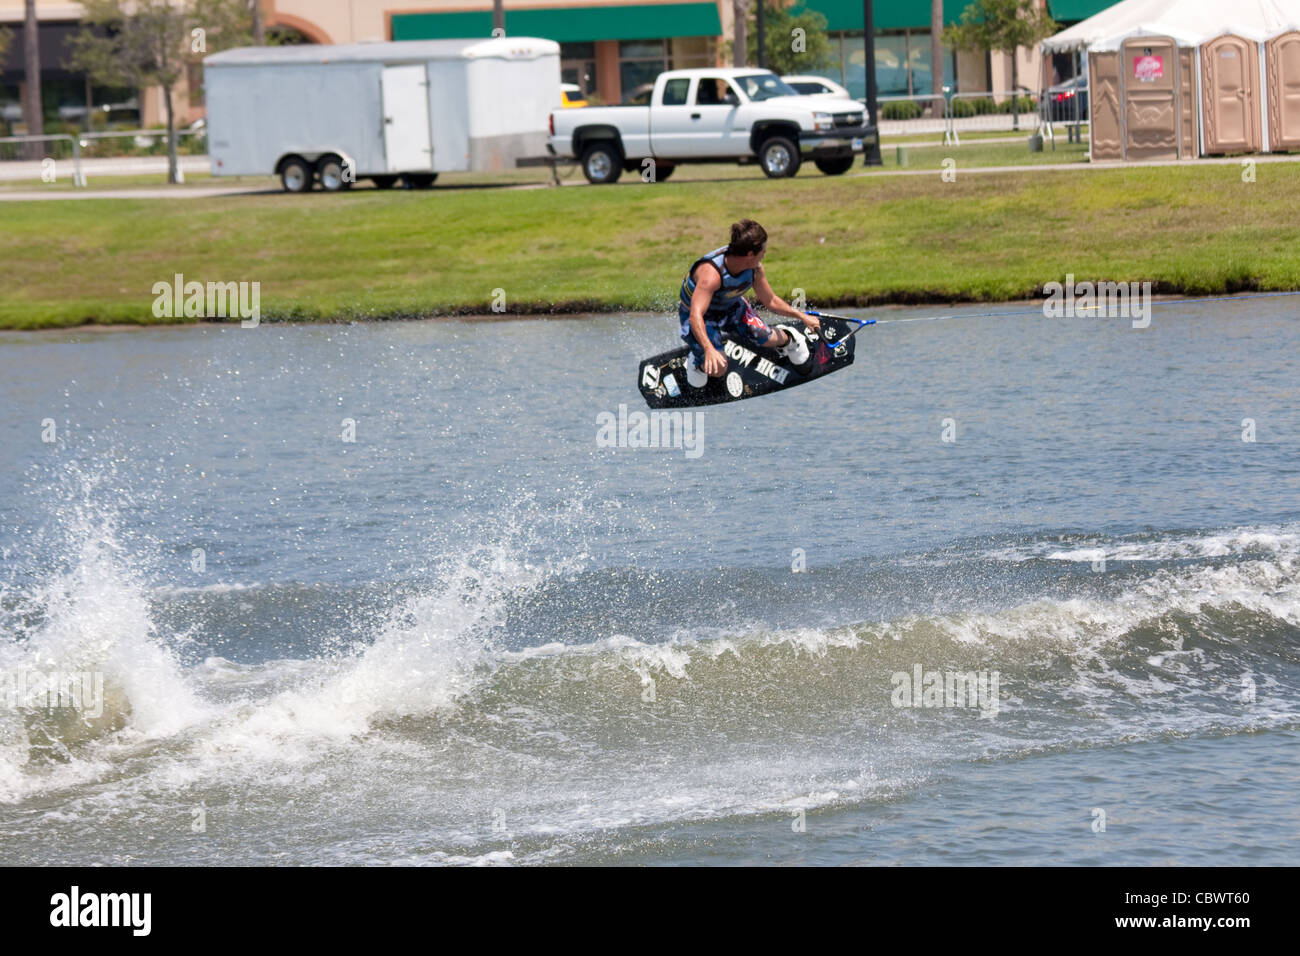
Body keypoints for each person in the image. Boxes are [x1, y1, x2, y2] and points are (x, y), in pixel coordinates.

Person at [678, 219, 820, 388]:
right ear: (751, 254)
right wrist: (708, 350)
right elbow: (696, 315)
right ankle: (697, 361)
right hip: (702, 316)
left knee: (767, 338)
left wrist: (802, 316)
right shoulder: (711, 275)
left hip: (732, 308)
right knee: (718, 369)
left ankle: (791, 339)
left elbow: (771, 301)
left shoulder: (755, 269)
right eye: (763, 251)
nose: (764, 255)